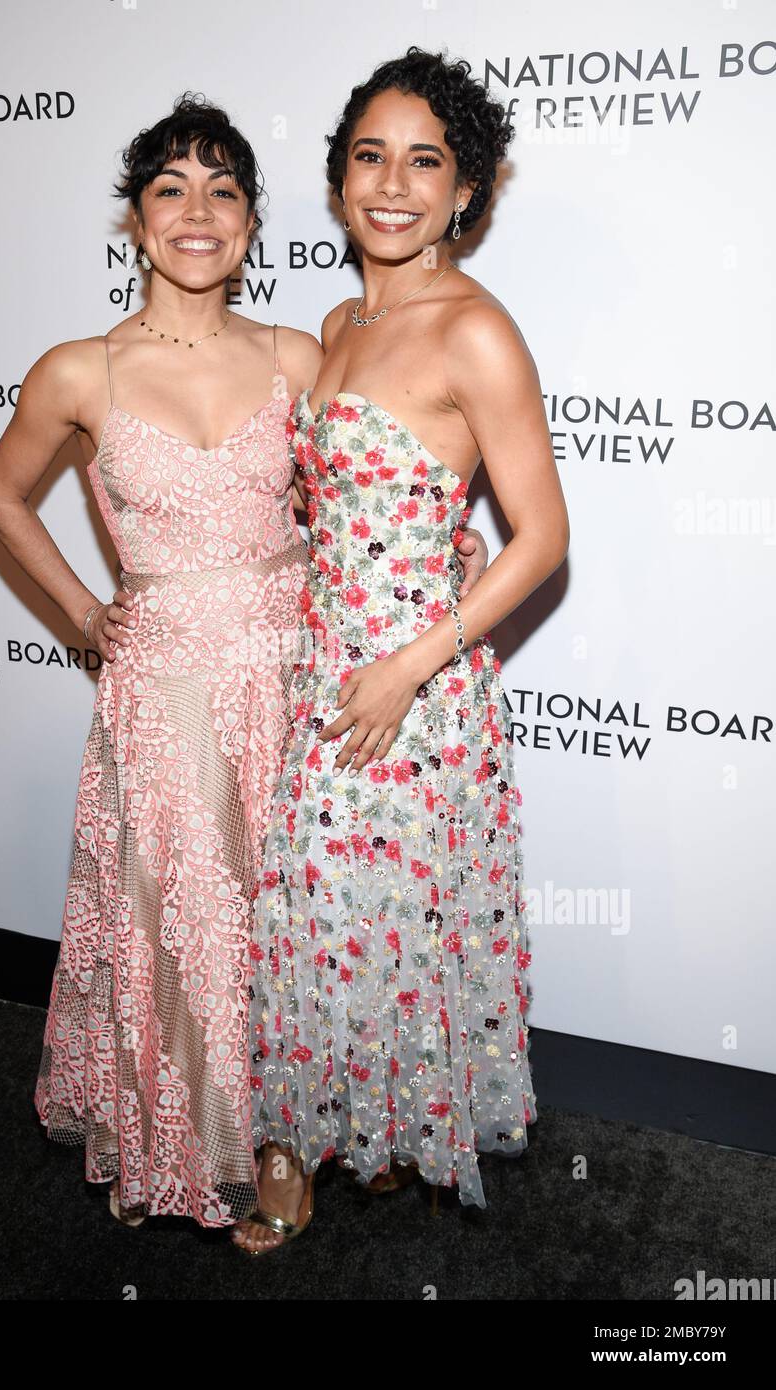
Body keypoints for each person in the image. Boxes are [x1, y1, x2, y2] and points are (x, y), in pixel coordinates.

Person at [0, 91, 494, 1228]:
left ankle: (292, 1139)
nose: (197, 213)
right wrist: (80, 613)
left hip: (295, 670)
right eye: (171, 189)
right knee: (177, 915)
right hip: (163, 686)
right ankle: (177, 1136)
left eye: (224, 191)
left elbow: (352, 486)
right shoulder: (77, 370)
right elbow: (1, 498)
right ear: (136, 219)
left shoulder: (296, 349)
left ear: (256, 224)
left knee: (294, 918)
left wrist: (435, 544)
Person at [233, 48, 570, 1254]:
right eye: (367, 157)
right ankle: (324, 1138)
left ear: (466, 190)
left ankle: (351, 1135)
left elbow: (540, 537)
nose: (392, 184)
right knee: (312, 912)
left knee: (382, 910)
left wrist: (412, 659)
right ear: (336, 184)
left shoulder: (476, 332)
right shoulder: (338, 318)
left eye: (424, 161)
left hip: (411, 685)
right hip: (318, 660)